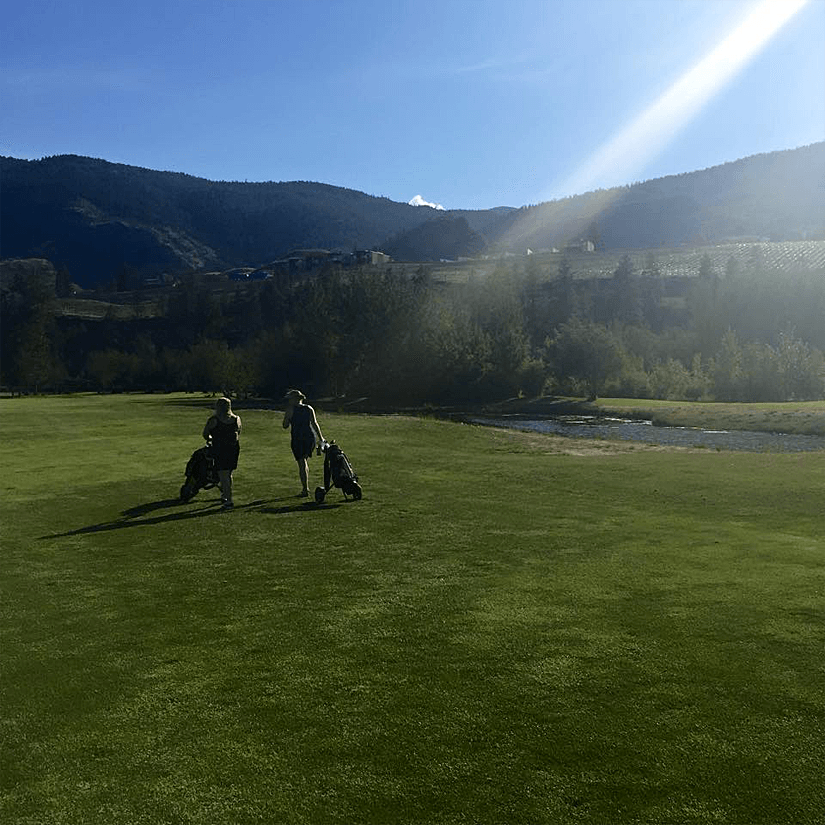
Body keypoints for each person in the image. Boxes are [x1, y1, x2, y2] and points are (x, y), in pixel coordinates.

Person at [282, 389, 324, 497]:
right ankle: (305, 488)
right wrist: (321, 438)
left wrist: (287, 417)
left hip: (298, 438)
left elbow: (285, 425)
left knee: (301, 462)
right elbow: (314, 424)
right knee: (304, 461)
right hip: (310, 437)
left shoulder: (291, 410)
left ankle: (305, 489)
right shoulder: (309, 408)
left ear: (294, 399)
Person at [202, 397, 241, 509]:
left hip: (220, 449)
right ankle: (225, 495)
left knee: (223, 475)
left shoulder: (214, 420)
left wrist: (211, 439)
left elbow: (205, 434)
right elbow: (238, 432)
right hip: (233, 449)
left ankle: (228, 500)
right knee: (228, 474)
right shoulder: (236, 419)